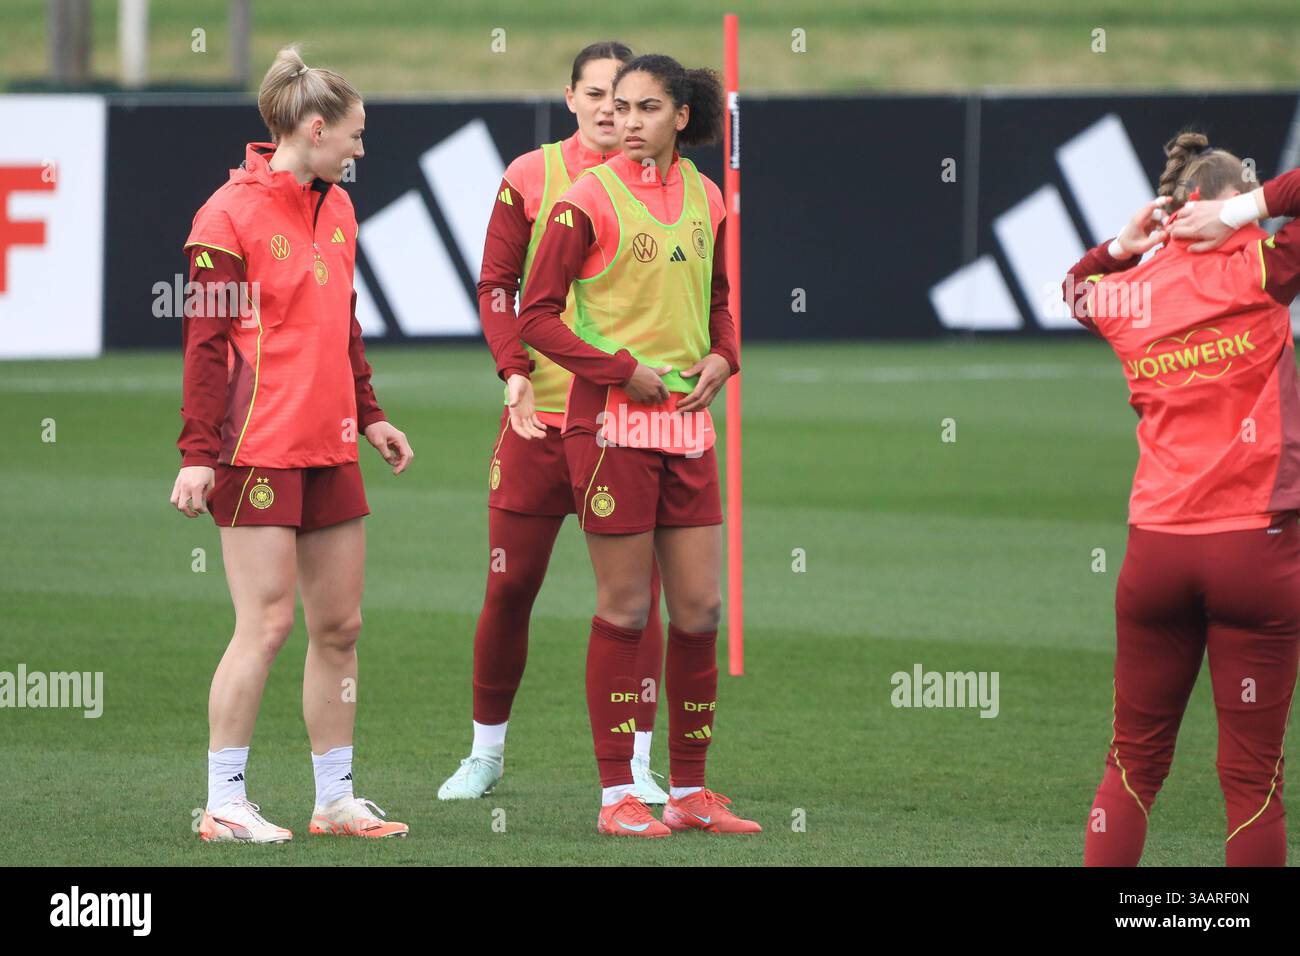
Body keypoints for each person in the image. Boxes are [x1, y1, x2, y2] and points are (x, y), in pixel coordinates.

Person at [170, 45, 414, 843]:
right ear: (314, 129)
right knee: (267, 624)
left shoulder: (337, 207)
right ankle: (222, 803)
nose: (360, 149)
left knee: (339, 628)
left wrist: (370, 413)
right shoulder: (225, 215)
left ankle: (334, 800)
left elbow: (341, 323)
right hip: (254, 449)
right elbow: (207, 346)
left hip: (331, 445)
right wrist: (197, 454)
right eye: (354, 135)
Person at [518, 53, 760, 836]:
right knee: (625, 609)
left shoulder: (709, 196)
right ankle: (616, 796)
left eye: (646, 108)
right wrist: (624, 371)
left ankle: (688, 792)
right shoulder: (584, 199)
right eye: (618, 107)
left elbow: (722, 302)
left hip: (687, 425)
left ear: (681, 117)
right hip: (610, 426)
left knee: (700, 610)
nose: (626, 121)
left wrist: (724, 359)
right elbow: (537, 316)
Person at [438, 41, 672, 805]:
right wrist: (511, 371)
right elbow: (498, 286)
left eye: (627, 95)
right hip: (539, 420)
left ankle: (637, 766)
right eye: (597, 93)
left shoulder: (668, 191)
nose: (612, 108)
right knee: (510, 589)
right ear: (569, 98)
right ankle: (485, 753)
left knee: (640, 603)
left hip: (626, 426)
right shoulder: (531, 176)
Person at [1062, 131, 1300, 866]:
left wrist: (1118, 246)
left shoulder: (1128, 294)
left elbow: (1073, 290)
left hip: (1155, 551)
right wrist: (1248, 211)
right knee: (1252, 778)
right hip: (1256, 550)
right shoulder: (1263, 264)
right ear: (1229, 206)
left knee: (1132, 763)